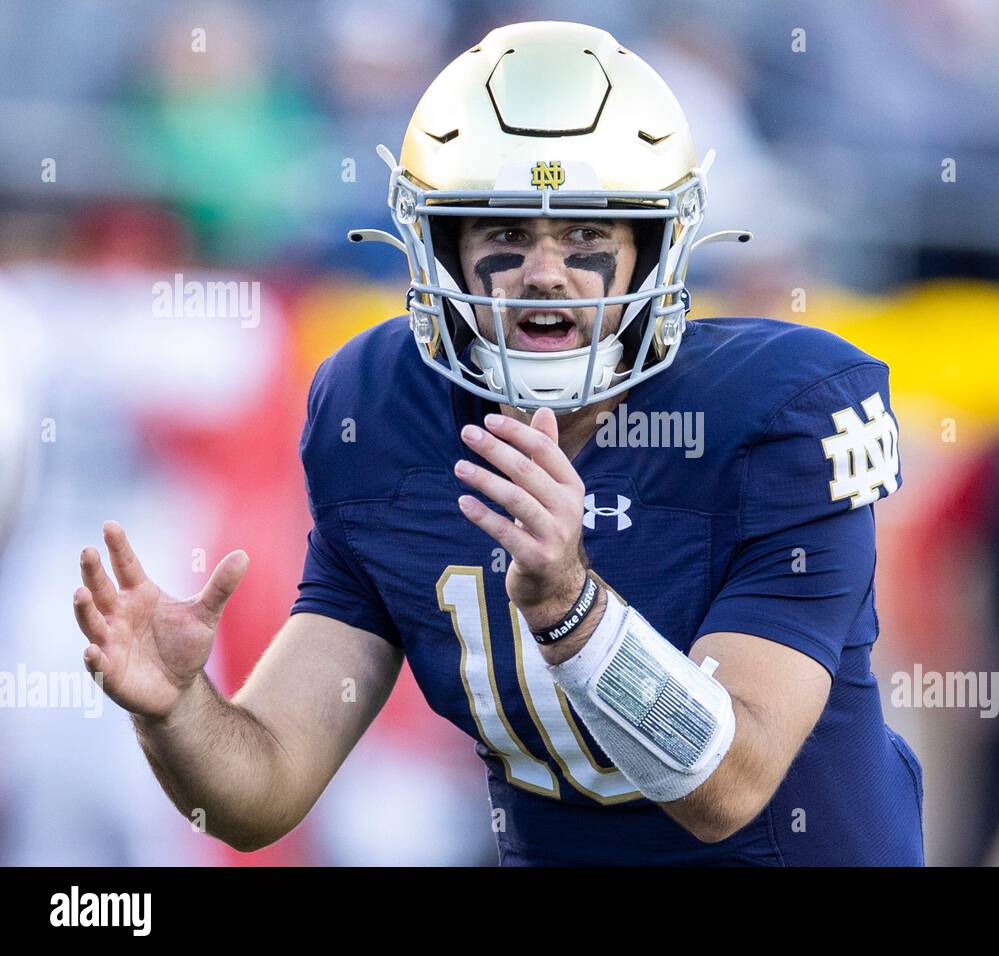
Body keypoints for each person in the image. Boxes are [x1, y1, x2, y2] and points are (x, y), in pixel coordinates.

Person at [72, 20, 922, 866]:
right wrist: (175, 711)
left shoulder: (779, 414)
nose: (545, 272)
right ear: (440, 248)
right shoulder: (379, 409)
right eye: (505, 235)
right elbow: (260, 792)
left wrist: (570, 608)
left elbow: (730, 786)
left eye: (588, 236)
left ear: (655, 250)